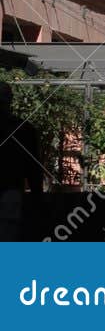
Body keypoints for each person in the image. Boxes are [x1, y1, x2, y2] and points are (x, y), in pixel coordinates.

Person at [0, 84, 43, 242]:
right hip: (12, 193)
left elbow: (34, 168)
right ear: (10, 101)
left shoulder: (24, 129)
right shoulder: (24, 129)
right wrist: (37, 198)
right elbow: (34, 169)